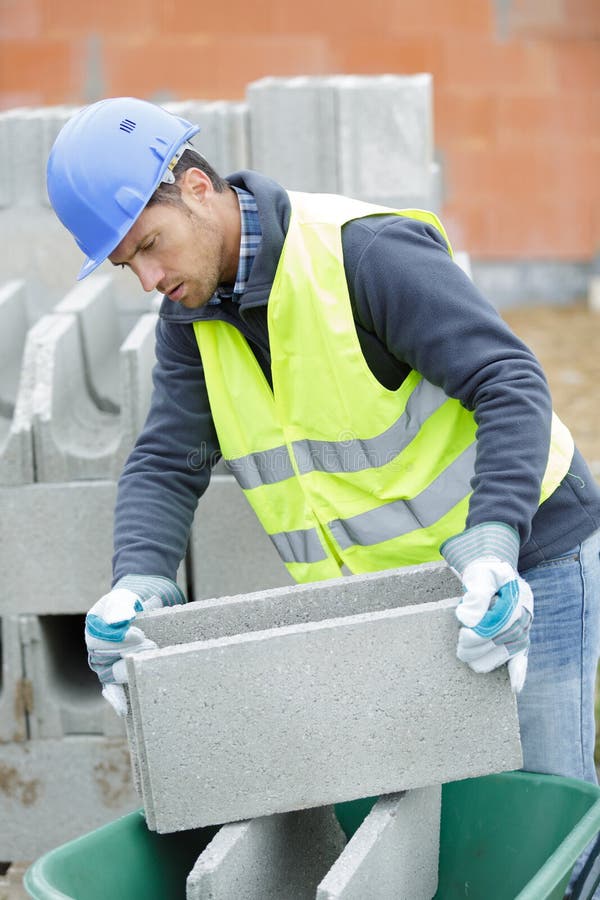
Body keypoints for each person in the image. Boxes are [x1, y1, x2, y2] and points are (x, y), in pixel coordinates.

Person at [47, 97, 600, 896]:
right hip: (401, 593)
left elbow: (508, 381)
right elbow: (169, 459)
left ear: (196, 187)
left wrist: (493, 544)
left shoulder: (364, 255)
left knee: (547, 821)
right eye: (125, 265)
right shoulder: (195, 319)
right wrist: (138, 580)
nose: (149, 279)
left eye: (149, 247)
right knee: (442, 823)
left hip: (528, 553)